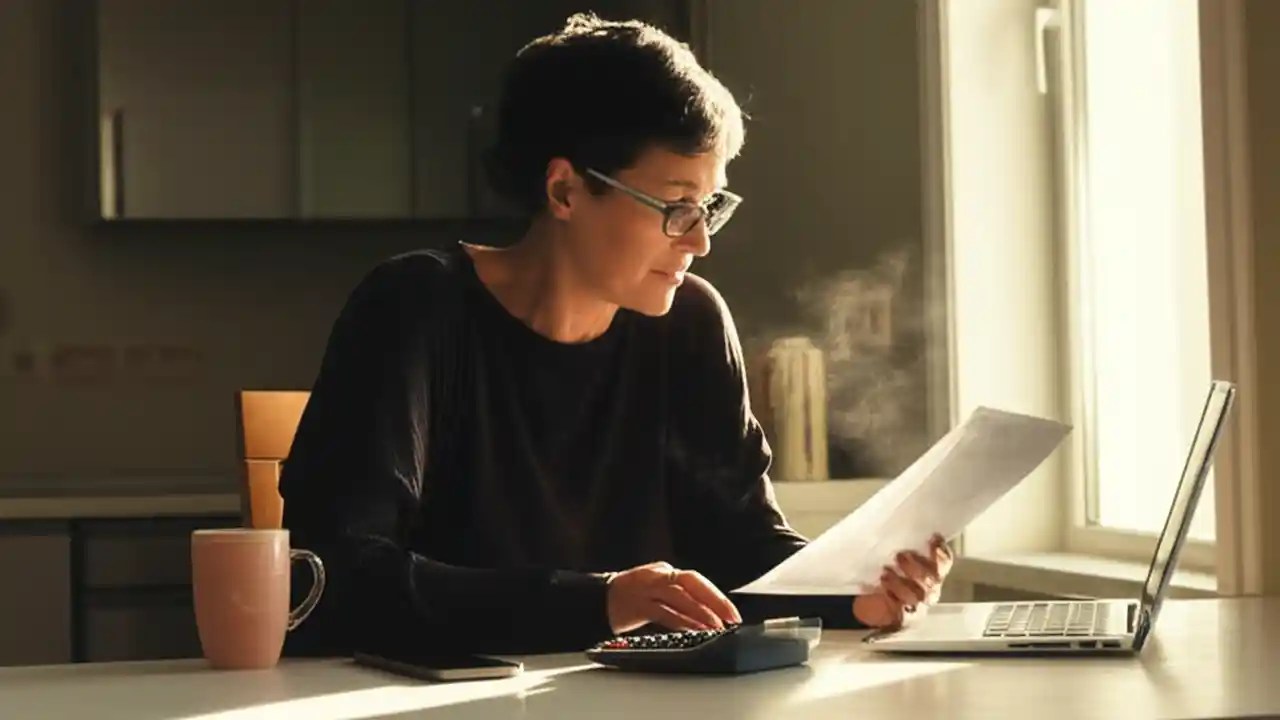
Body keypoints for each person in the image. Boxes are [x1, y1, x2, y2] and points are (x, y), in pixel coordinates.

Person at [279, 12, 952, 658]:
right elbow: (336, 576)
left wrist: (853, 592)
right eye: (677, 206)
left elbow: (742, 549)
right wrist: (598, 601)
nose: (700, 240)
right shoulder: (414, 309)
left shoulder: (689, 321)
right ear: (566, 191)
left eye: (711, 205)